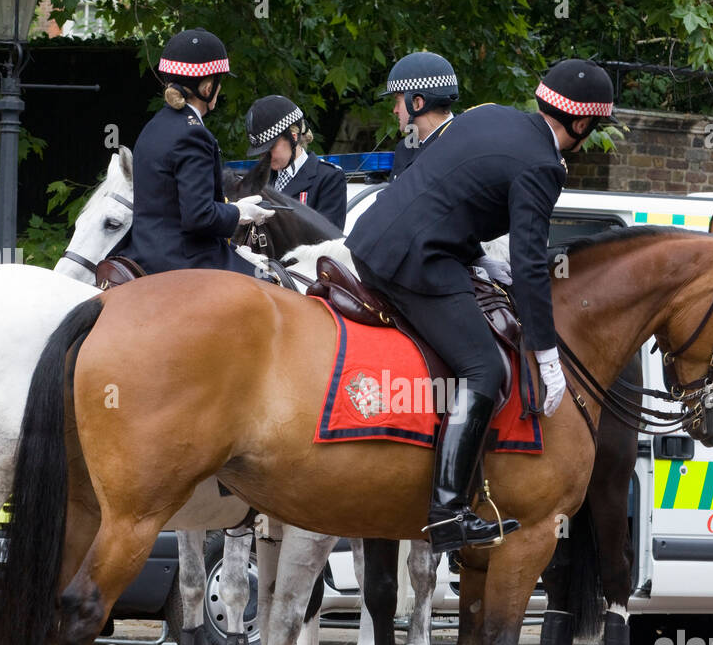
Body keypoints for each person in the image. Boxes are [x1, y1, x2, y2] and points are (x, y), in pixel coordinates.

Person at [345, 59, 616, 554]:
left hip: (381, 239)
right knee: (483, 369)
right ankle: (447, 511)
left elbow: (449, 196)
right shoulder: (541, 166)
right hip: (414, 262)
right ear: (580, 123)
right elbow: (531, 264)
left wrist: (479, 262)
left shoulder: (489, 115)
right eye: (594, 127)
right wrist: (548, 355)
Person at [118, 28, 273, 276]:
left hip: (144, 253)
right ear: (207, 86)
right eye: (219, 83)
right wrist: (238, 213)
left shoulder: (153, 127)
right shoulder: (193, 134)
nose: (219, 90)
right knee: (272, 285)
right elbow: (198, 216)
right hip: (186, 261)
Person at [244, 95, 347, 229]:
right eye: (261, 152)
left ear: (293, 138)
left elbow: (328, 240)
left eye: (270, 148)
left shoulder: (328, 178)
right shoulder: (259, 181)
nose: (264, 157)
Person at [383, 52, 459, 178]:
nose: (395, 110)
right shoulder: (405, 148)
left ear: (417, 103)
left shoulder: (463, 145)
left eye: (397, 101)